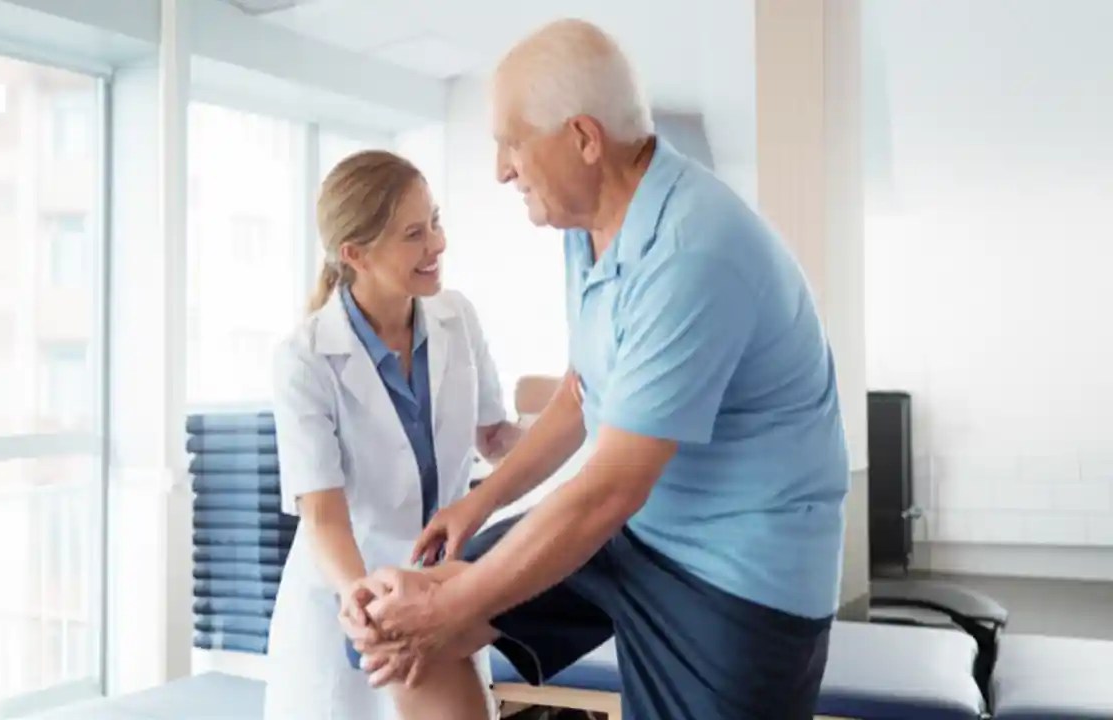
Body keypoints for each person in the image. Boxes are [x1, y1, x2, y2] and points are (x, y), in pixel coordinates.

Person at [347, 19, 851, 720]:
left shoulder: (693, 250)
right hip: (634, 532)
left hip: (735, 576)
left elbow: (611, 488)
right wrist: (478, 503)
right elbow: (582, 392)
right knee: (403, 639)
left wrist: (454, 598)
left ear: (584, 139)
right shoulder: (587, 229)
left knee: (439, 606)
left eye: (512, 143)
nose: (500, 169)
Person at [263, 150, 520, 720]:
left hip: (435, 595)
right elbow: (323, 512)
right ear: (355, 254)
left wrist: (595, 433)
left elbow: (495, 437)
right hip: (348, 599)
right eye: (413, 234)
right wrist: (359, 597)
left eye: (435, 221)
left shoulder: (457, 317)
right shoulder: (304, 359)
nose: (437, 244)